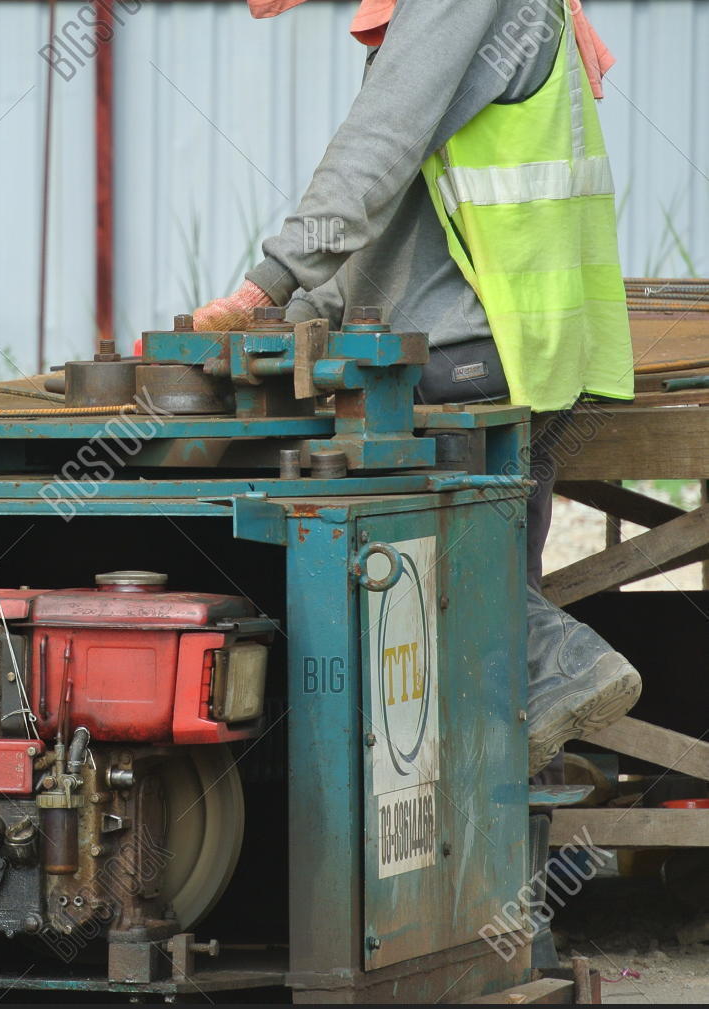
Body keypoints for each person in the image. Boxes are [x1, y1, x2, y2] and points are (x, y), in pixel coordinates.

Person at [195, 0, 640, 775]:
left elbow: (377, 153)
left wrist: (267, 287)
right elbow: (405, 198)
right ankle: (515, 810)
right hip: (524, 354)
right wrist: (301, 309)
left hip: (464, 356)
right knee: (489, 645)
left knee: (421, 569)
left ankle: (562, 658)